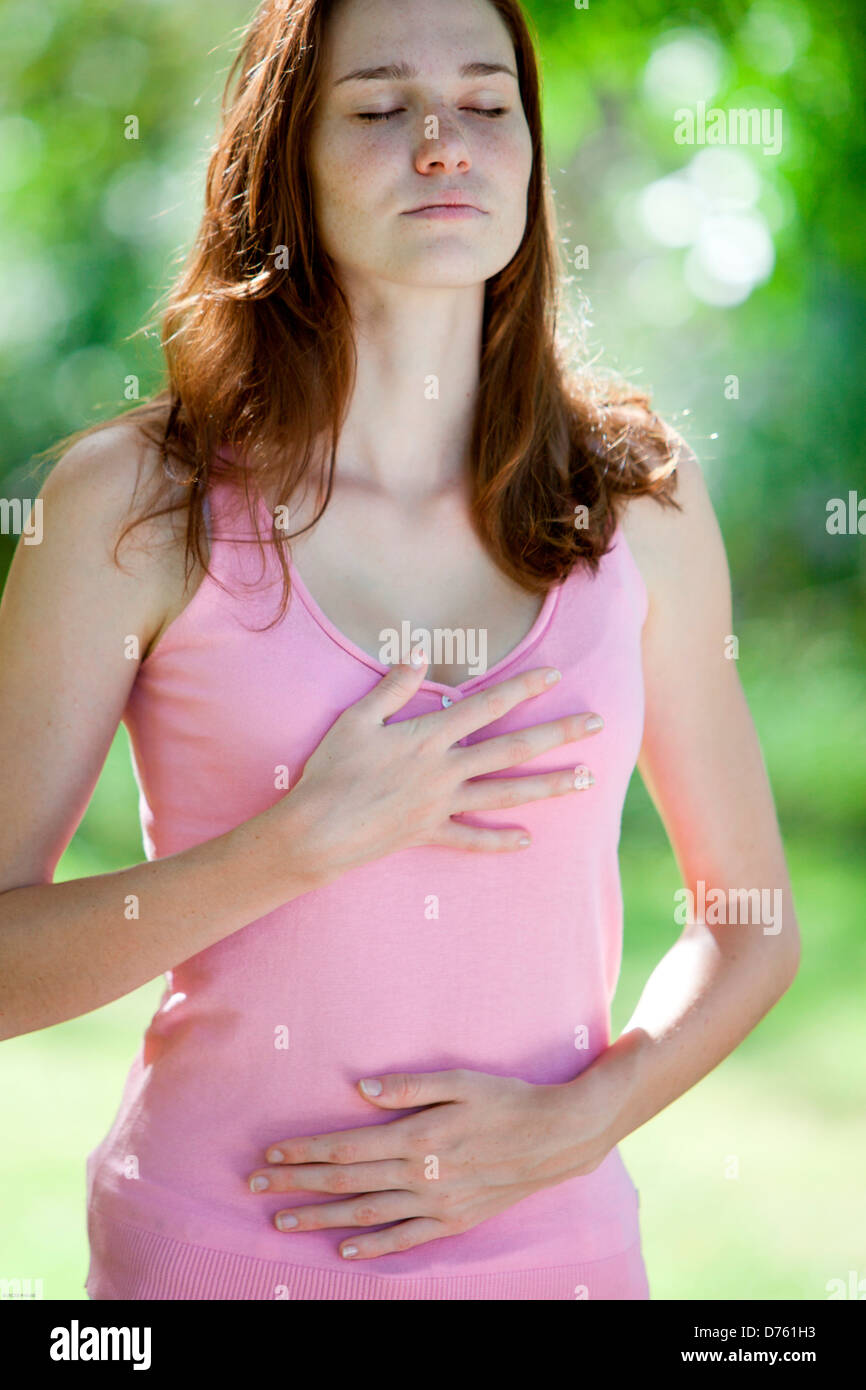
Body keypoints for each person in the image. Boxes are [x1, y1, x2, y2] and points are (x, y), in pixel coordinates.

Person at [0, 0, 800, 1301]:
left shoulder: (631, 501)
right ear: (283, 167)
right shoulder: (130, 506)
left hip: (560, 1260)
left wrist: (580, 1121)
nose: (444, 143)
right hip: (207, 1259)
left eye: (487, 104)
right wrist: (291, 846)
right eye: (378, 109)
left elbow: (748, 923)